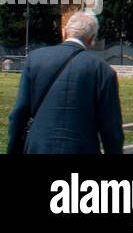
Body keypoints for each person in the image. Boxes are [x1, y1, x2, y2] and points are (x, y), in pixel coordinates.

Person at [7, 11, 124, 154]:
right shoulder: (103, 71)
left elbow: (20, 112)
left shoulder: (35, 59)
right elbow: (111, 128)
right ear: (92, 39)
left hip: (39, 147)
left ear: (64, 32)